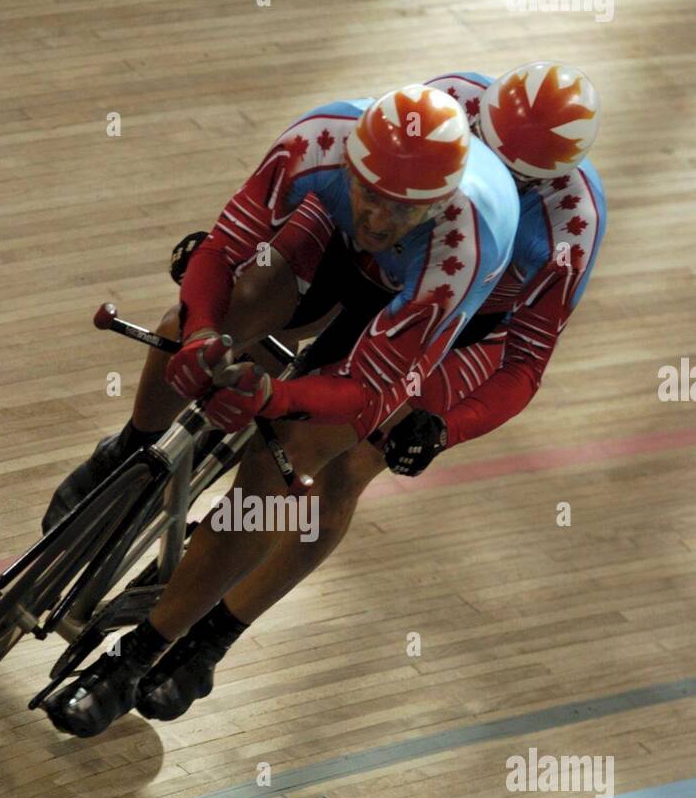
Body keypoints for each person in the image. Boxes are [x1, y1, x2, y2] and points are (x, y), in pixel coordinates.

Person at [43, 81, 522, 736]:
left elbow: (367, 391)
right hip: (328, 240)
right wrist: (207, 331)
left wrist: (277, 397)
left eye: (401, 209)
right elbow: (218, 252)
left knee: (287, 467)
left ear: (439, 201)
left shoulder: (463, 246)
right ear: (351, 164)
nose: (379, 220)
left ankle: (134, 658)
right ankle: (127, 450)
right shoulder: (316, 145)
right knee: (220, 313)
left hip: (407, 300)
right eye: (370, 195)